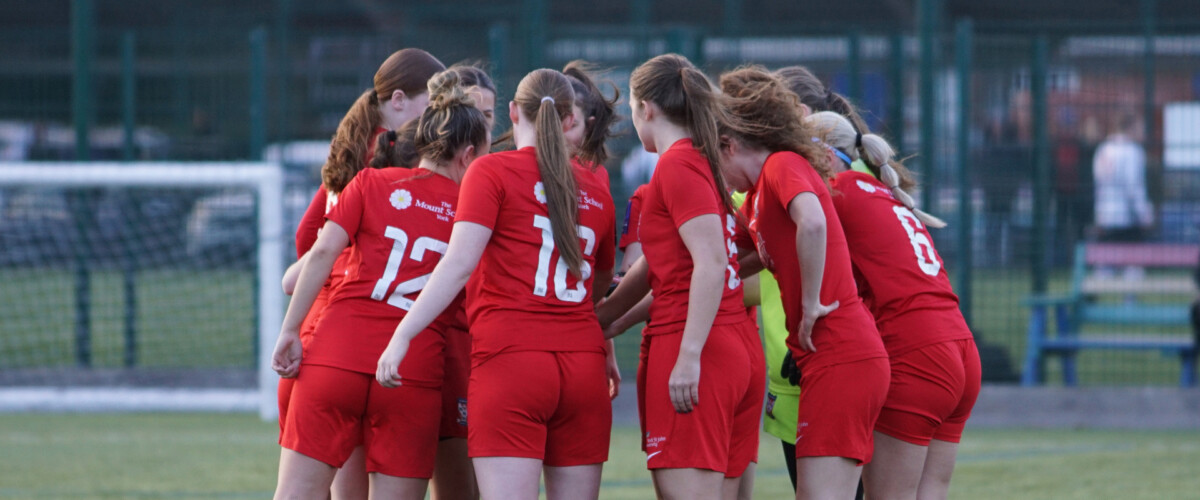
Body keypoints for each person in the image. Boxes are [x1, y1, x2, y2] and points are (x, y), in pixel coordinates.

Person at [376, 68, 616, 500]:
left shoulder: (491, 171)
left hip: (512, 364)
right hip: (583, 368)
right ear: (568, 120)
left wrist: (402, 332)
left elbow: (458, 264)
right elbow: (595, 286)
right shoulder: (596, 188)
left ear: (510, 113)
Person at [271, 70, 490, 500]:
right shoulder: (473, 215)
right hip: (410, 371)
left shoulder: (371, 181)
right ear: (467, 156)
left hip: (337, 354)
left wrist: (290, 330)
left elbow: (318, 254)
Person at [716, 67, 889, 500]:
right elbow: (718, 259)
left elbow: (812, 223)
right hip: (823, 361)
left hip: (843, 355)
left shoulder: (781, 165)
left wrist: (811, 302)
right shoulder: (756, 198)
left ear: (730, 145)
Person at [598, 53, 764, 500]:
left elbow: (710, 263)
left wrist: (689, 355)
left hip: (701, 349)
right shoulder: (701, 162)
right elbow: (669, 265)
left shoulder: (677, 165)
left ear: (645, 109)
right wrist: (611, 316)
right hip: (732, 345)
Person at [809, 109, 980, 500]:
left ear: (821, 155)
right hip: (959, 347)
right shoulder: (881, 191)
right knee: (929, 492)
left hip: (915, 352)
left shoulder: (836, 189)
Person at [1093, 114, 1154, 244]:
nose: (1142, 131)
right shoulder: (1132, 150)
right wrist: (1144, 216)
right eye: (1140, 127)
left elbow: (1097, 184)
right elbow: (1133, 187)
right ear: (1131, 127)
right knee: (1130, 262)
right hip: (1126, 219)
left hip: (1104, 215)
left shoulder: (1103, 148)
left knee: (1106, 260)